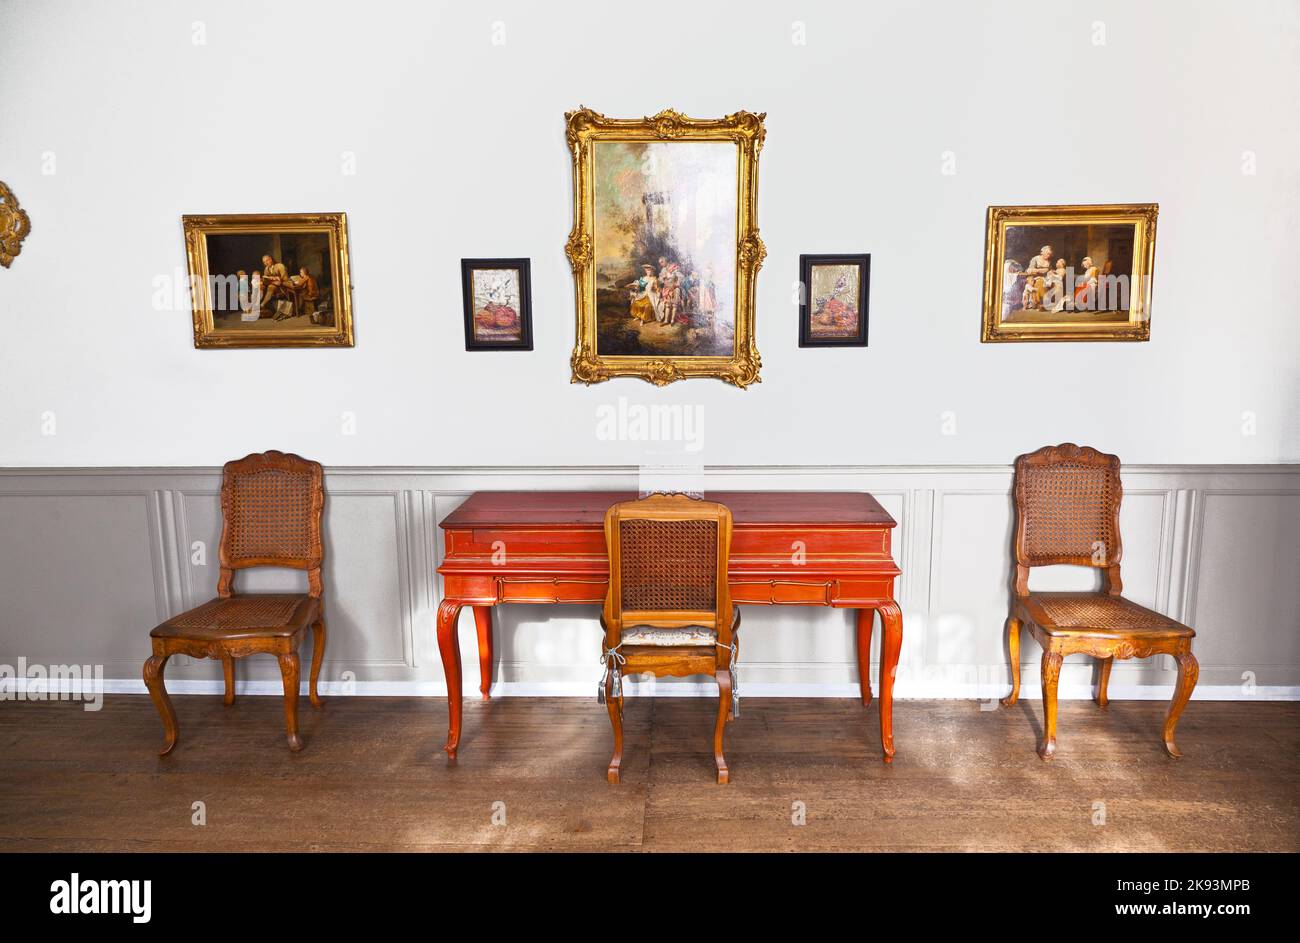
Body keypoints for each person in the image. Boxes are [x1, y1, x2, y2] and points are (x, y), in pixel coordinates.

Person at [1022, 245, 1054, 310]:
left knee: (1053, 284)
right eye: (1048, 254)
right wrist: (1041, 271)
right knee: (1040, 283)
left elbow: (1049, 270)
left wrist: (1051, 272)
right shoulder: (1035, 259)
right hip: (1035, 278)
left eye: (1050, 254)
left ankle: (1047, 303)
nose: (1049, 256)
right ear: (1042, 252)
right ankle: (1038, 303)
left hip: (1046, 278)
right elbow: (1030, 270)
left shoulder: (1048, 261)